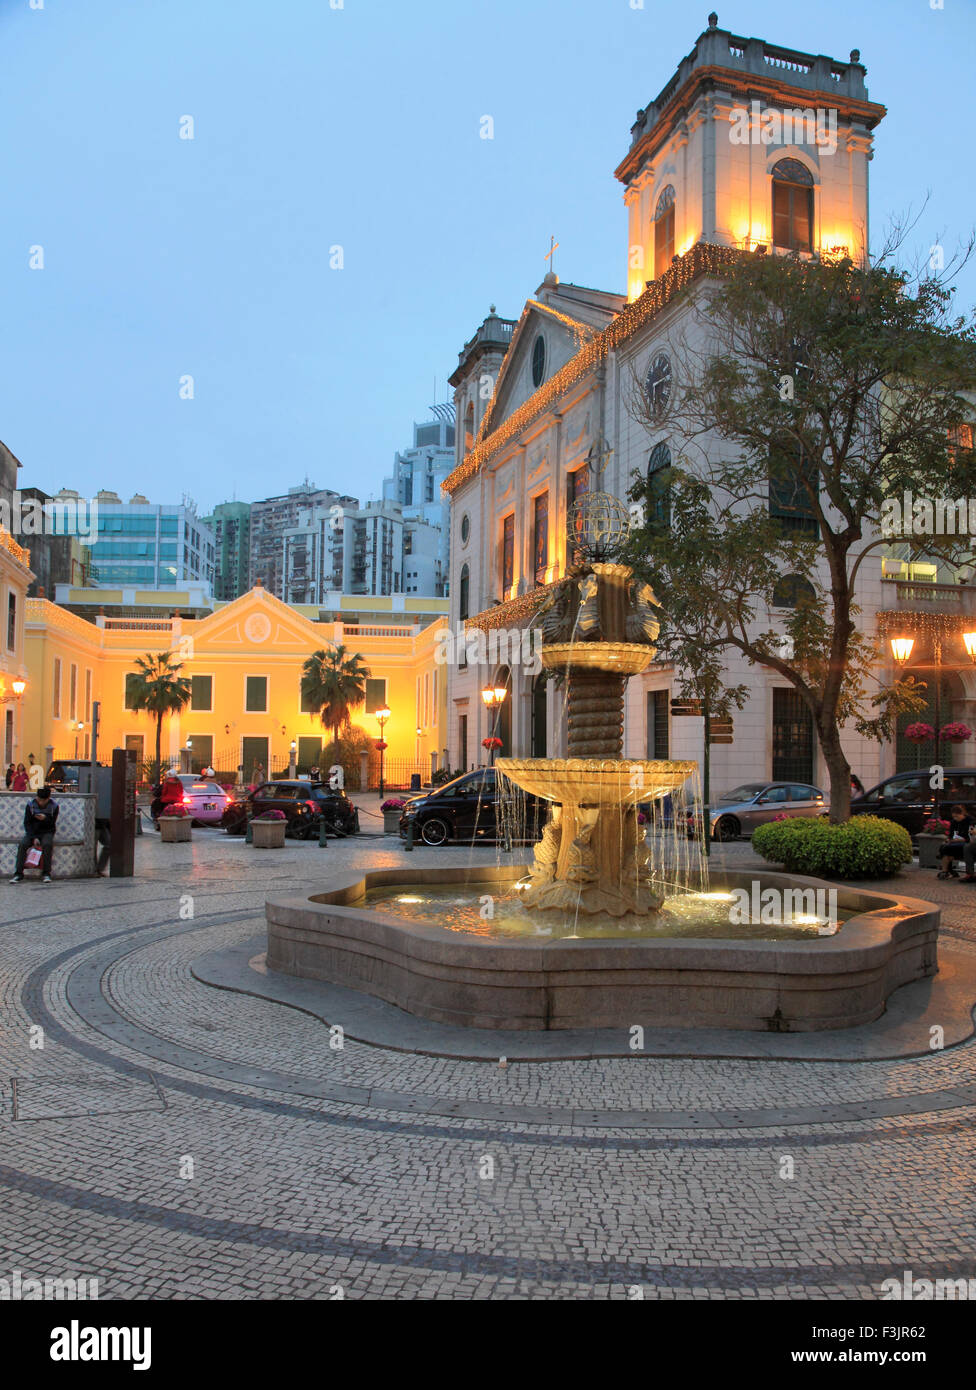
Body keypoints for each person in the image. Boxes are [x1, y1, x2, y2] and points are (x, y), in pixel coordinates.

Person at [9, 785, 59, 883]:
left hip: (47, 832)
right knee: (23, 845)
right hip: (32, 832)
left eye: (43, 801)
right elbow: (27, 823)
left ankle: (46, 873)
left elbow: (52, 823)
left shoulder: (54, 806)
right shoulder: (30, 805)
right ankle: (18, 873)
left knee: (47, 845)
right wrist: (34, 837)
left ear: (48, 798)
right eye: (39, 799)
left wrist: (45, 818)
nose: (41, 802)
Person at [938, 804, 976, 879]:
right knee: (944, 846)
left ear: (962, 814)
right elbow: (951, 834)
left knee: (949, 849)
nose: (955, 818)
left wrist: (961, 839)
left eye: (957, 816)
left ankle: (949, 871)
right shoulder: (954, 822)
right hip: (956, 842)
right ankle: (945, 871)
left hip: (966, 842)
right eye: (954, 817)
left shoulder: (971, 821)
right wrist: (949, 839)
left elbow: (972, 837)